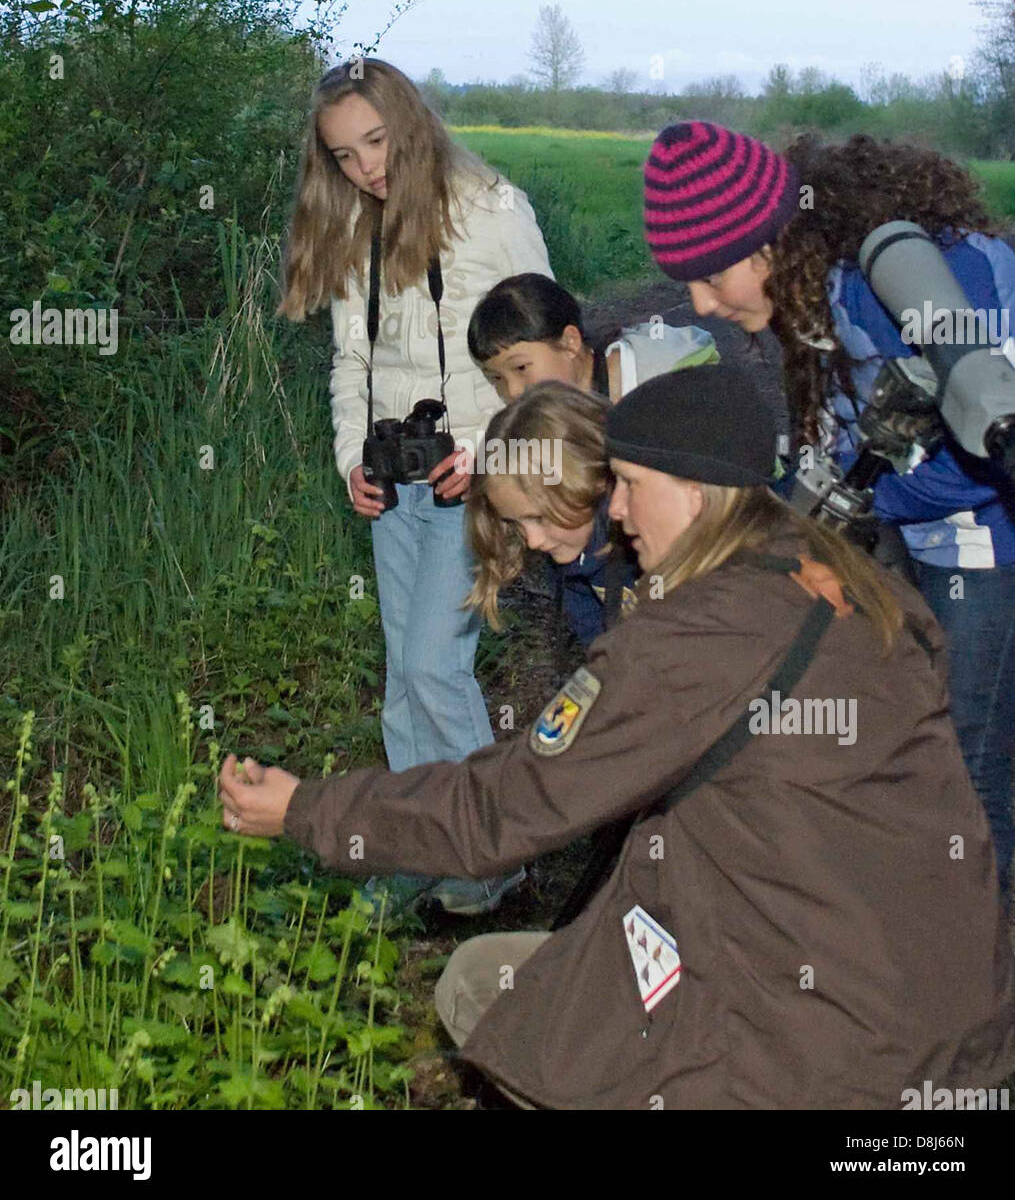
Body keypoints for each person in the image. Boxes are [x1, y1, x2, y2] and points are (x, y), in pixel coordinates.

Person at [219, 363, 1015, 1110]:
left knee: (488, 987)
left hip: (827, 1059)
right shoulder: (857, 584)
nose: (620, 510)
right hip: (962, 1026)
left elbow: (503, 808)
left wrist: (306, 811)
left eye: (630, 485)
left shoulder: (689, 639)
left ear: (695, 491)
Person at [642, 120, 1015, 906]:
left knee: (969, 759)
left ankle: (977, 956)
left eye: (711, 276)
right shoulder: (818, 289)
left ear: (767, 242)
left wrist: (853, 501)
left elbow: (978, 455)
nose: (702, 303)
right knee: (918, 729)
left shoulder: (902, 290)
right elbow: (860, 429)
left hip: (986, 546)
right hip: (924, 537)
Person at [278, 57, 553, 916]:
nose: (365, 168)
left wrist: (486, 449)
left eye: (376, 141)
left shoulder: (491, 209)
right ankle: (414, 848)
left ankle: (491, 858)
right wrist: (351, 457)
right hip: (392, 479)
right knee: (404, 675)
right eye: (343, 156)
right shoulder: (354, 223)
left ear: (411, 121)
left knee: (437, 666)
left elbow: (543, 354)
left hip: (475, 480)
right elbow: (351, 360)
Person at [465, 381, 637, 649]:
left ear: (593, 481)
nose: (532, 541)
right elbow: (600, 646)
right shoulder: (575, 557)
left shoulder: (647, 544)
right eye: (514, 522)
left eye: (539, 518)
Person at [467, 271, 716, 404]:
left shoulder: (659, 386)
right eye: (496, 378)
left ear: (570, 342)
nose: (512, 391)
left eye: (521, 367)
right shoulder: (543, 418)